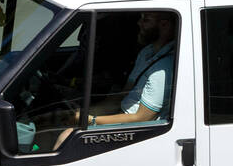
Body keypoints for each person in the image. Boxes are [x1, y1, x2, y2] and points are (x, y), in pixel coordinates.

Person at [53, 11, 176, 148]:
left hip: (139, 130)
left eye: (146, 20)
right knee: (58, 122)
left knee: (67, 137)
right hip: (123, 115)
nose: (138, 23)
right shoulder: (147, 52)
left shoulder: (163, 68)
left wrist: (93, 120)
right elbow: (121, 97)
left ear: (164, 25)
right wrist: (85, 114)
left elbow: (142, 118)